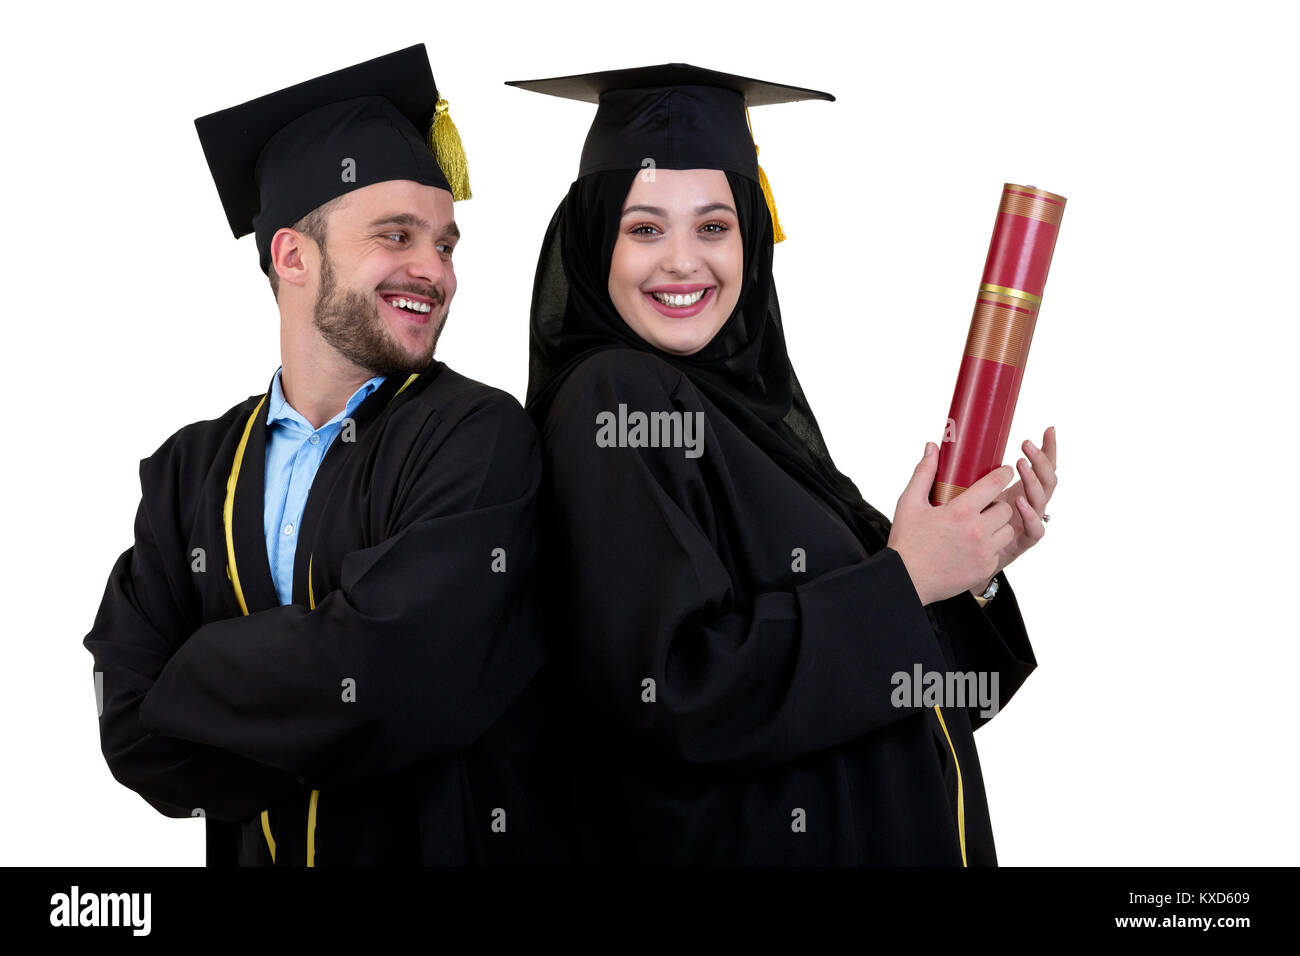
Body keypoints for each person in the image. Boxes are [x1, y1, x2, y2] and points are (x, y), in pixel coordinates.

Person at [508, 64, 1059, 865]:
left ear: (751, 239)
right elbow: (666, 694)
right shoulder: (612, 400)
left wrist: (967, 569)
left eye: (714, 227)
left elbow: (909, 696)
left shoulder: (742, 410)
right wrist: (902, 581)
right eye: (645, 228)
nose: (683, 262)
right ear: (595, 240)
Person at [84, 45, 559, 866]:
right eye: (396, 236)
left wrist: (193, 671)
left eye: (445, 245)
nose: (434, 271)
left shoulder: (478, 438)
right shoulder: (186, 471)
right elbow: (129, 725)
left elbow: (409, 680)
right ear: (292, 256)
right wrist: (325, 688)